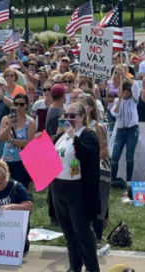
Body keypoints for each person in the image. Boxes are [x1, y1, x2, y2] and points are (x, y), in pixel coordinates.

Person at [49, 101, 101, 272]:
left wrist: (75, 138)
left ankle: (92, 268)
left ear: (82, 117)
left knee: (83, 232)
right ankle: (74, 266)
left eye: (73, 116)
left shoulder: (88, 134)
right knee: (69, 232)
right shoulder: (61, 136)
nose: (68, 119)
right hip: (59, 187)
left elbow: (90, 156)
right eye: (66, 115)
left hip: (77, 189)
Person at [78, 93, 111, 245]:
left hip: (97, 170)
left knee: (98, 201)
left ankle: (97, 236)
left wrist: (89, 158)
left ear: (90, 108)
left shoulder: (97, 127)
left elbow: (105, 150)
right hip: (79, 170)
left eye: (82, 104)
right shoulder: (77, 125)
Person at [0, 93, 36, 189]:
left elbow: (30, 143)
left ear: (27, 105)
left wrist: (11, 140)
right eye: (16, 104)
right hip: (6, 159)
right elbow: (2, 138)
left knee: (20, 189)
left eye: (22, 104)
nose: (18, 106)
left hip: (22, 161)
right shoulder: (6, 119)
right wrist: (9, 125)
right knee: (6, 188)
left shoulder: (30, 122)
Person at [110, 76, 141, 185]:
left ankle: (129, 180)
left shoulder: (134, 100)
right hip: (120, 132)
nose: (127, 91)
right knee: (114, 157)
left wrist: (124, 77)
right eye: (125, 90)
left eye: (128, 90)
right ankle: (112, 179)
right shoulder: (117, 100)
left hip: (132, 131)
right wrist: (119, 100)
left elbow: (136, 86)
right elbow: (115, 113)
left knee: (129, 156)